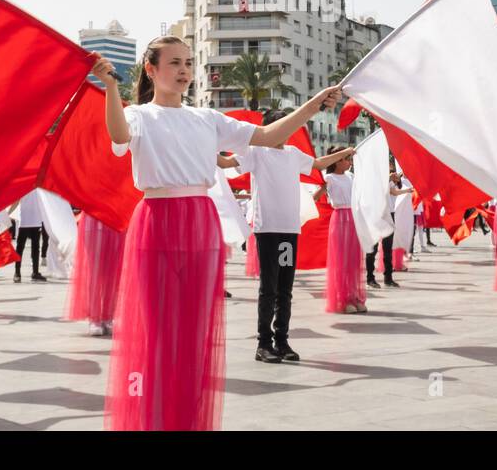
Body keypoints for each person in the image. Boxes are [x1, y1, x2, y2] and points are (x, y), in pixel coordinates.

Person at [94, 37, 341, 431]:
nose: (184, 71)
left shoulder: (207, 119)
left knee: (194, 330)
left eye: (189, 63)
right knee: (156, 326)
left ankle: (183, 417)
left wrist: (313, 104)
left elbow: (268, 136)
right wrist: (110, 87)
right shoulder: (139, 114)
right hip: (156, 218)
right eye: (174, 63)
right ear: (151, 69)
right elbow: (120, 136)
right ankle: (151, 415)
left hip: (199, 219)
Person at [234, 118, 352, 363]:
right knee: (269, 287)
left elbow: (318, 163)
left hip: (289, 230)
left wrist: (345, 152)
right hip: (267, 230)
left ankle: (282, 340)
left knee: (285, 288)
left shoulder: (293, 154)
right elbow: (227, 162)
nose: (286, 132)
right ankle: (264, 344)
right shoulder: (257, 152)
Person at [317, 149, 366, 314]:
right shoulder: (328, 178)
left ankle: (354, 296)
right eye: (346, 159)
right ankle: (341, 298)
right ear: (337, 161)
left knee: (353, 259)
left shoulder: (351, 177)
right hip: (339, 218)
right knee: (341, 260)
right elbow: (316, 196)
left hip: (354, 219)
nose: (349, 162)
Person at [66, 211, 127, 336]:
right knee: (94, 271)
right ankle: (94, 318)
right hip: (93, 220)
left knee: (113, 273)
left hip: (116, 218)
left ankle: (108, 316)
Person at [13, 191, 46, 283]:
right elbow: (16, 200)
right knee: (20, 248)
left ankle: (35, 273)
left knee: (35, 248)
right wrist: (8, 214)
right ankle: (17, 273)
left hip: (36, 221)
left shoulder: (40, 188)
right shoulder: (24, 184)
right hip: (24, 221)